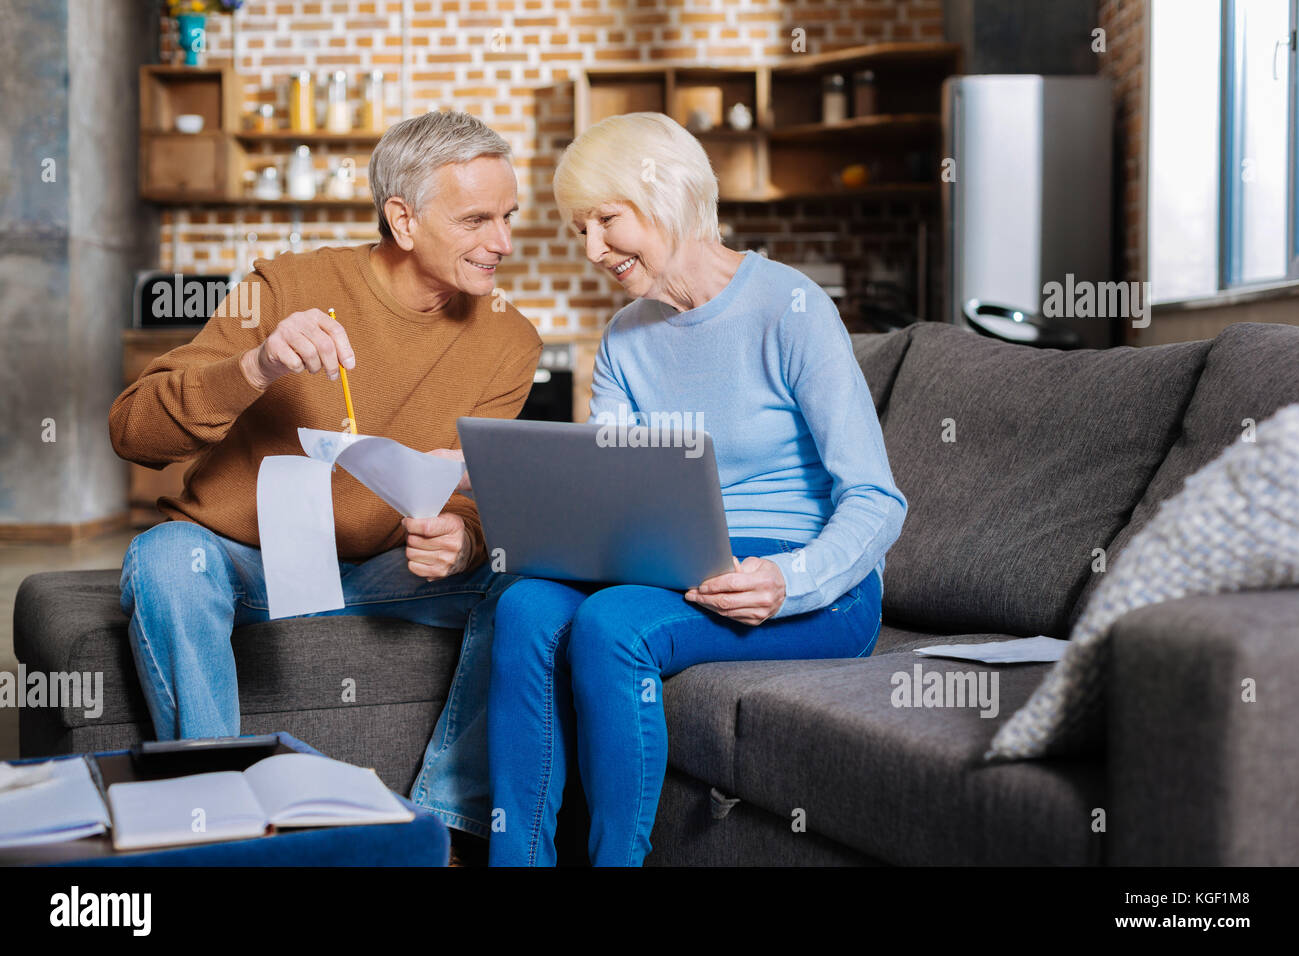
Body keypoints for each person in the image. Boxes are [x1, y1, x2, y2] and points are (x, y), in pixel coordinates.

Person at [480, 112, 909, 866]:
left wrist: (788, 578)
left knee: (613, 625)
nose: (592, 251)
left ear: (670, 194)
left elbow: (877, 500)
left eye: (607, 221)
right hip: (671, 564)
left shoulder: (790, 307)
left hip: (807, 583)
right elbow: (608, 494)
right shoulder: (624, 339)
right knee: (523, 606)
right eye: (581, 229)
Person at [109, 110, 541, 844]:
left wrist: (463, 542)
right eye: (475, 219)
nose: (501, 241)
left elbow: (471, 499)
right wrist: (256, 366)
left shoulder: (510, 341)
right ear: (402, 220)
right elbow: (133, 430)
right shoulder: (286, 285)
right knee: (167, 561)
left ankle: (439, 829)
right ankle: (219, 819)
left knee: (531, 587)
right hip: (242, 563)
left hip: (377, 573)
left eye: (507, 216)